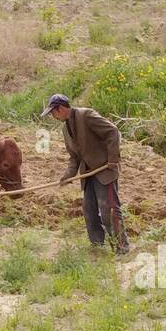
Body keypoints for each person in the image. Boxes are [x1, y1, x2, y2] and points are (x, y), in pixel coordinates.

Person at [40, 94, 128, 252]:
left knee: (108, 209)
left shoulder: (86, 115)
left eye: (52, 113)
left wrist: (113, 159)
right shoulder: (65, 129)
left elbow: (112, 131)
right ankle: (97, 247)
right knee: (89, 211)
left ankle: (121, 247)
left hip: (104, 170)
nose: (52, 117)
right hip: (88, 174)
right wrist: (67, 176)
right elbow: (74, 158)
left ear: (60, 109)